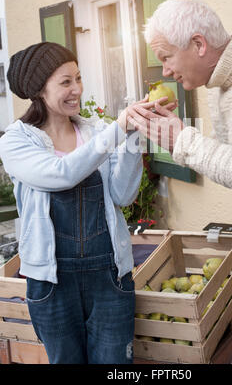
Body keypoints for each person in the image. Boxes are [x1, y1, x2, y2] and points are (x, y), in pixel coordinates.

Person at [127, 0, 232, 364]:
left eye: (166, 56)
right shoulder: (222, 83)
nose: (165, 71)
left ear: (199, 45)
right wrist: (173, 135)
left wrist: (182, 140)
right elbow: (230, 162)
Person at [0, 41, 173, 364]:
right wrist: (118, 129)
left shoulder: (96, 132)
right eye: (65, 82)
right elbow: (62, 173)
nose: (76, 89)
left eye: (78, 79)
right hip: (52, 282)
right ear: (39, 89)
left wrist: (135, 135)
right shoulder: (16, 141)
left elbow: (123, 195)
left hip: (108, 275)